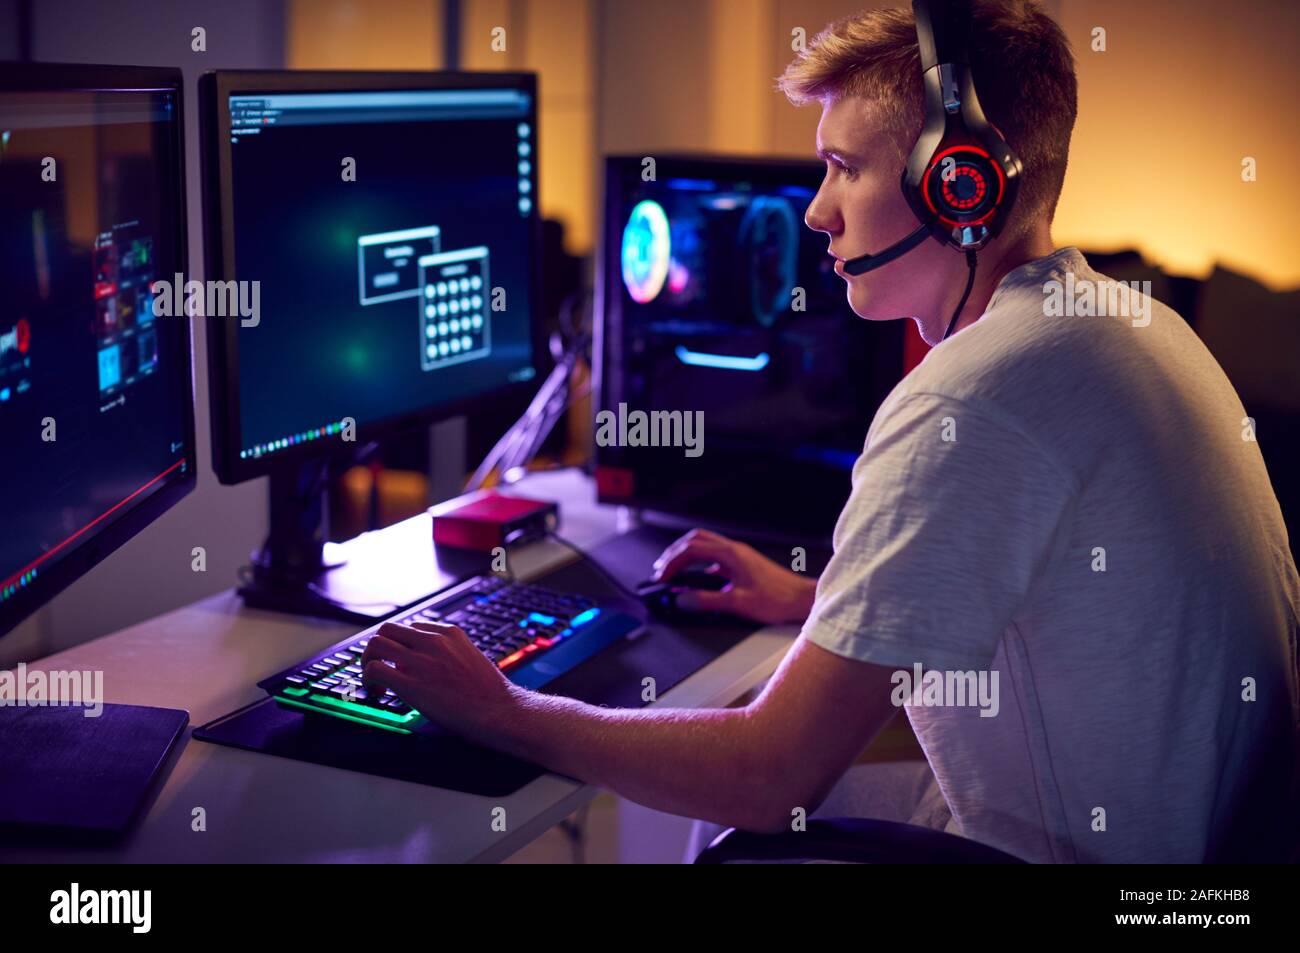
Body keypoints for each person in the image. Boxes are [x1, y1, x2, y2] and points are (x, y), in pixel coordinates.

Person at [362, 0, 1299, 862]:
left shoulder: (966, 403)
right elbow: (1057, 609)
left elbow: (767, 777)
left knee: (739, 817)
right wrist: (812, 603)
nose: (816, 209)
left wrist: (506, 707)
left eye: (845, 168)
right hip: (1192, 863)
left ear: (957, 184)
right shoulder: (1125, 325)